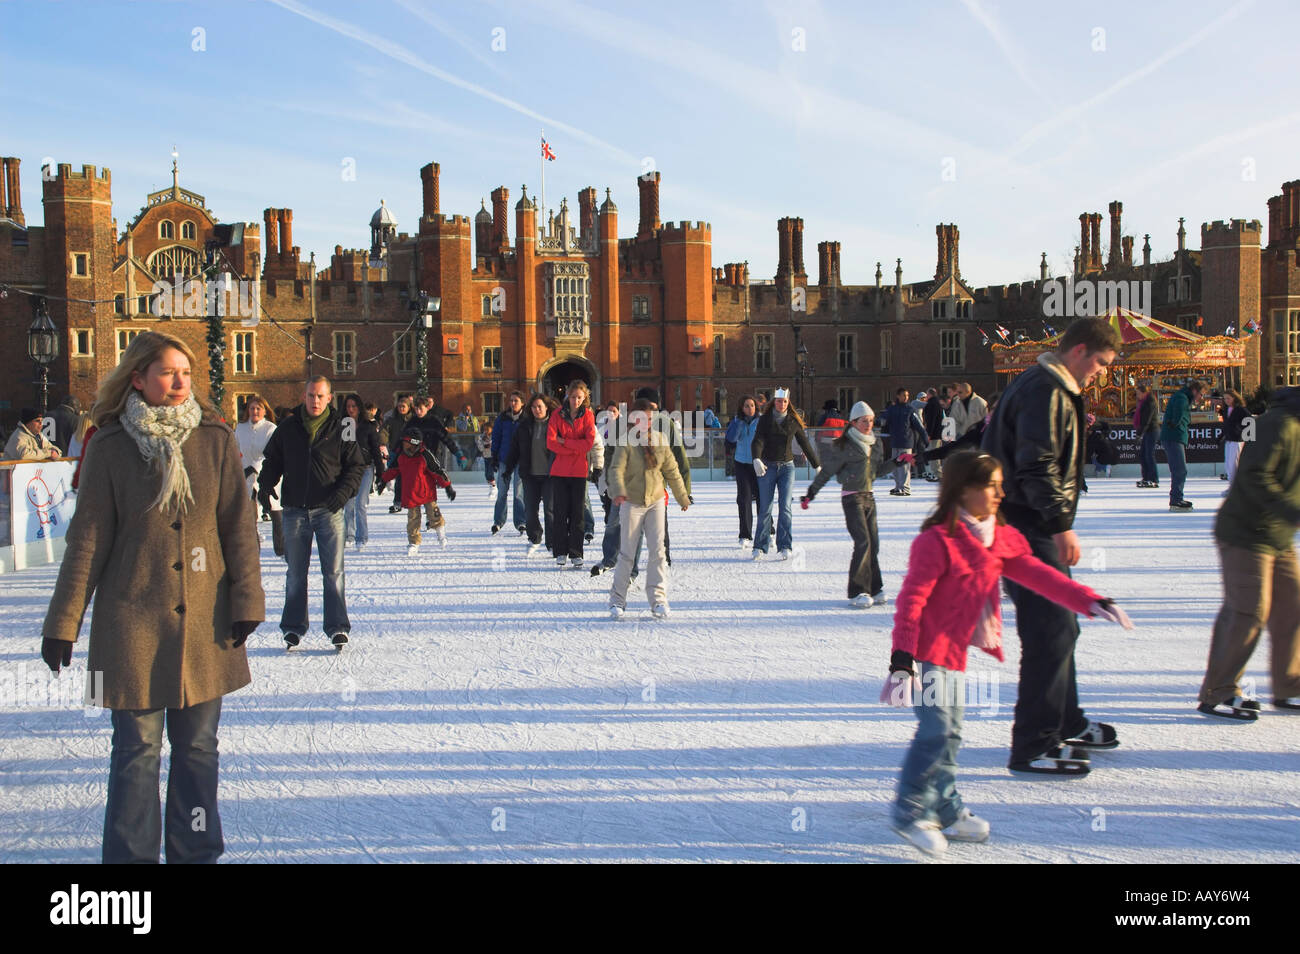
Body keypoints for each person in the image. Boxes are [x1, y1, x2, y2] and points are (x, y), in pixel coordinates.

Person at [40, 330, 263, 863]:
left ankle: (195, 853)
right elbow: (88, 538)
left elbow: (238, 526)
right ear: (138, 378)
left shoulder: (213, 438)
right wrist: (62, 622)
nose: (180, 382)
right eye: (168, 372)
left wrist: (247, 601)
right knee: (136, 752)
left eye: (186, 373)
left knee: (198, 750)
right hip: (131, 627)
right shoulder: (111, 445)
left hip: (207, 625)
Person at [886, 451, 1131, 855]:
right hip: (926, 651)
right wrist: (901, 660)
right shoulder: (937, 542)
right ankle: (909, 812)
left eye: (1002, 484)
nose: (1001, 493)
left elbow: (1043, 577)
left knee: (951, 733)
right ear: (964, 490)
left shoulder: (995, 538)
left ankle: (946, 809)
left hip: (954, 650)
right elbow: (911, 601)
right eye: (991, 485)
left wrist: (1090, 600)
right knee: (935, 732)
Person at [982, 315, 1123, 774]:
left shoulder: (1048, 385)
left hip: (1028, 522)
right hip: (1025, 526)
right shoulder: (1045, 389)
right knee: (1050, 629)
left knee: (1063, 626)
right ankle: (1035, 744)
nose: (1100, 374)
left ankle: (1065, 720)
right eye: (1100, 364)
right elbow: (1036, 464)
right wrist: (1061, 524)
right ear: (1079, 351)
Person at [1198, 386, 1300, 718]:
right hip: (1245, 531)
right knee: (1248, 610)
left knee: (1292, 608)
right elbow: (1254, 475)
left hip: (1277, 535)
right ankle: (1220, 691)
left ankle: (1291, 686)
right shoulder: (1278, 424)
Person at [257, 376, 365, 650]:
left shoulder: (345, 426)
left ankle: (337, 627)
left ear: (330, 398)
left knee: (333, 572)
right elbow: (273, 460)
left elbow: (355, 466)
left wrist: (342, 495)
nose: (315, 401)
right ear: (304, 396)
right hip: (295, 510)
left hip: (329, 511)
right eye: (310, 396)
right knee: (295, 573)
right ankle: (293, 628)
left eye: (320, 396)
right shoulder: (288, 426)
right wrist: (266, 484)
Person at [607, 399, 691, 619]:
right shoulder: (625, 442)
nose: (646, 422)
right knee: (627, 553)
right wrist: (618, 491)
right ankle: (617, 600)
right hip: (631, 501)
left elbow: (672, 469)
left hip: (655, 501)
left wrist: (682, 496)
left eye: (650, 418)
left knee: (658, 551)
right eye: (642, 418)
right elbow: (615, 470)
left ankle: (658, 600)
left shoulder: (660, 440)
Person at [801, 401, 885, 608]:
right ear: (854, 423)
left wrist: (899, 461)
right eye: (864, 421)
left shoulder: (875, 443)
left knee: (873, 544)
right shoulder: (845, 445)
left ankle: (875, 587)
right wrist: (811, 493)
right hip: (852, 498)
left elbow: (876, 472)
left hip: (869, 497)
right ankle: (858, 591)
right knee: (863, 542)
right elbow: (828, 471)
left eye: (871, 421)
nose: (868, 424)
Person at [750, 387, 819, 560]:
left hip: (787, 467)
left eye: (785, 401)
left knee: (785, 507)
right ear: (774, 402)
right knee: (765, 508)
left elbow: (804, 443)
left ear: (788, 403)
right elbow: (757, 440)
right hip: (767, 467)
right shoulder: (765, 420)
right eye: (779, 401)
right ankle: (760, 545)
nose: (782, 404)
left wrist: (816, 465)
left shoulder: (793, 421)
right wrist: (756, 459)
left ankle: (785, 545)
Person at [380, 426, 455, 555]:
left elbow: (437, 471)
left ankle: (441, 533)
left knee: (433, 513)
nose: (404, 446)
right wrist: (382, 481)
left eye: (407, 443)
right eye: (403, 443)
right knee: (413, 519)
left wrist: (448, 486)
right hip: (410, 493)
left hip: (427, 493)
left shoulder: (425, 455)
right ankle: (413, 542)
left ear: (414, 444)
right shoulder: (401, 457)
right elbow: (392, 470)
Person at [547, 380, 596, 567]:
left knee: (577, 513)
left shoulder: (588, 416)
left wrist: (564, 442)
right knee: (559, 512)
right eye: (573, 397)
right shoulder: (557, 415)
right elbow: (551, 442)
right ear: (567, 395)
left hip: (578, 471)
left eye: (579, 397)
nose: (576, 400)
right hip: (559, 471)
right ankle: (560, 551)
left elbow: (588, 443)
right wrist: (575, 447)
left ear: (584, 398)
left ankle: (576, 551)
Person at [504, 393, 557, 554]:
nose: (536, 409)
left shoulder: (555, 425)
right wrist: (508, 468)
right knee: (530, 510)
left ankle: (552, 542)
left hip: (550, 475)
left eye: (540, 406)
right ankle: (534, 537)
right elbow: (514, 449)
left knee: (550, 510)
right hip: (530, 474)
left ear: (546, 407)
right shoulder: (524, 426)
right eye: (533, 407)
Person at [235, 396, 283, 558]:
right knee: (249, 514)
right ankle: (252, 549)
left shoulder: (271, 429)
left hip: (267, 474)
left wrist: (255, 468)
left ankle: (281, 548)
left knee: (275, 512)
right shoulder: (240, 428)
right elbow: (235, 450)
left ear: (264, 411)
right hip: (246, 475)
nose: (255, 411)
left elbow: (271, 454)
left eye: (258, 408)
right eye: (252, 408)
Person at [342, 393, 383, 551]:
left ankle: (362, 537)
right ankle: (349, 535)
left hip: (365, 468)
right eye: (348, 407)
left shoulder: (368, 426)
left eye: (354, 406)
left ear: (359, 408)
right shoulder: (343, 425)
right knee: (348, 505)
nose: (351, 409)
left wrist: (380, 470)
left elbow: (375, 448)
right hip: (348, 469)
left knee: (360, 504)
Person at [1160, 379, 1204, 512]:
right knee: (1180, 469)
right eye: (1201, 394)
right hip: (1174, 436)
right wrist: (1175, 423)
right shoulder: (1182, 398)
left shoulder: (1182, 396)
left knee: (1179, 469)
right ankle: (1176, 500)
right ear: (1195, 391)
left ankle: (1176, 498)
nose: (1201, 398)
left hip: (1174, 436)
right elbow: (1178, 414)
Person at [727, 395, 765, 549]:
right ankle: (745, 534)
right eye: (746, 406)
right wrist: (737, 423)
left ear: (756, 407)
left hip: (760, 464)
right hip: (742, 463)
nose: (750, 409)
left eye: (752, 405)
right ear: (741, 408)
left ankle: (768, 530)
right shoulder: (737, 422)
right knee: (744, 499)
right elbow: (731, 439)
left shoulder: (762, 421)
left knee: (763, 499)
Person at [491, 391, 528, 535]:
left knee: (518, 492)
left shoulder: (526, 419)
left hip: (520, 460)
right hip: (504, 459)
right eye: (511, 400)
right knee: (502, 491)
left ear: (522, 403)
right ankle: (498, 521)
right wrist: (494, 455)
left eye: (516, 401)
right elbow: (496, 436)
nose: (513, 403)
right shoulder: (503, 418)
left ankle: (520, 522)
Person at [881, 388, 927, 496]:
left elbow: (918, 426)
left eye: (907, 395)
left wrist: (925, 437)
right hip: (895, 441)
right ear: (898, 396)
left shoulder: (910, 409)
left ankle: (905, 488)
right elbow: (884, 419)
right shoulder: (892, 409)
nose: (906, 397)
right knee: (895, 465)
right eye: (903, 395)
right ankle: (898, 486)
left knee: (905, 466)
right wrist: (877, 421)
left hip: (906, 441)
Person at [1220, 389, 1248, 493]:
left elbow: (1250, 421)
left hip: (1237, 440)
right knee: (1228, 465)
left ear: (1234, 398)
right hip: (1229, 439)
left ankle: (1237, 488)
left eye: (1228, 398)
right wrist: (1221, 436)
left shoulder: (1240, 409)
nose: (1226, 400)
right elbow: (1226, 425)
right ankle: (1233, 486)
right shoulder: (1226, 409)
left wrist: (1243, 434)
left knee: (1234, 465)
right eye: (1225, 398)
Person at [1133, 384, 1160, 488]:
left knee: (1149, 455)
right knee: (1143, 455)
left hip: (1152, 430)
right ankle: (1146, 478)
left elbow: (1147, 419)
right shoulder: (1143, 402)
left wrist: (1139, 434)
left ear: (1144, 393)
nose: (1137, 396)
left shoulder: (1150, 402)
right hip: (1148, 430)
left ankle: (1153, 479)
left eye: (1139, 393)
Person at [922, 388, 946, 481]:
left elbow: (931, 420)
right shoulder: (938, 403)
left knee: (934, 454)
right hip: (938, 433)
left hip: (934, 434)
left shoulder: (931, 404)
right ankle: (938, 474)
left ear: (929, 395)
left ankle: (939, 475)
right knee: (936, 454)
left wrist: (929, 434)